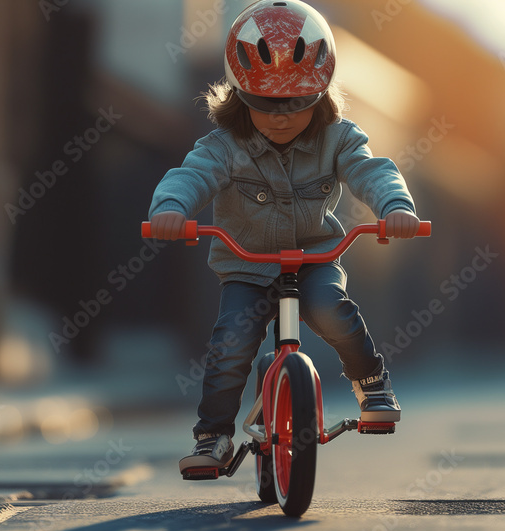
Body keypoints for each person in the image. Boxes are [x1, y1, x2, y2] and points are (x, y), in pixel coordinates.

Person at [148, 0, 421, 475]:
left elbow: (371, 171)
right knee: (231, 344)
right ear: (238, 96)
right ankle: (212, 436)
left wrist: (395, 206)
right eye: (265, 103)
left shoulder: (339, 139)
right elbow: (190, 176)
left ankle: (370, 380)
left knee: (332, 310)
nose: (279, 117)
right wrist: (170, 208)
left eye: (295, 103)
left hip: (314, 258)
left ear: (321, 94)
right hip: (247, 265)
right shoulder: (224, 147)